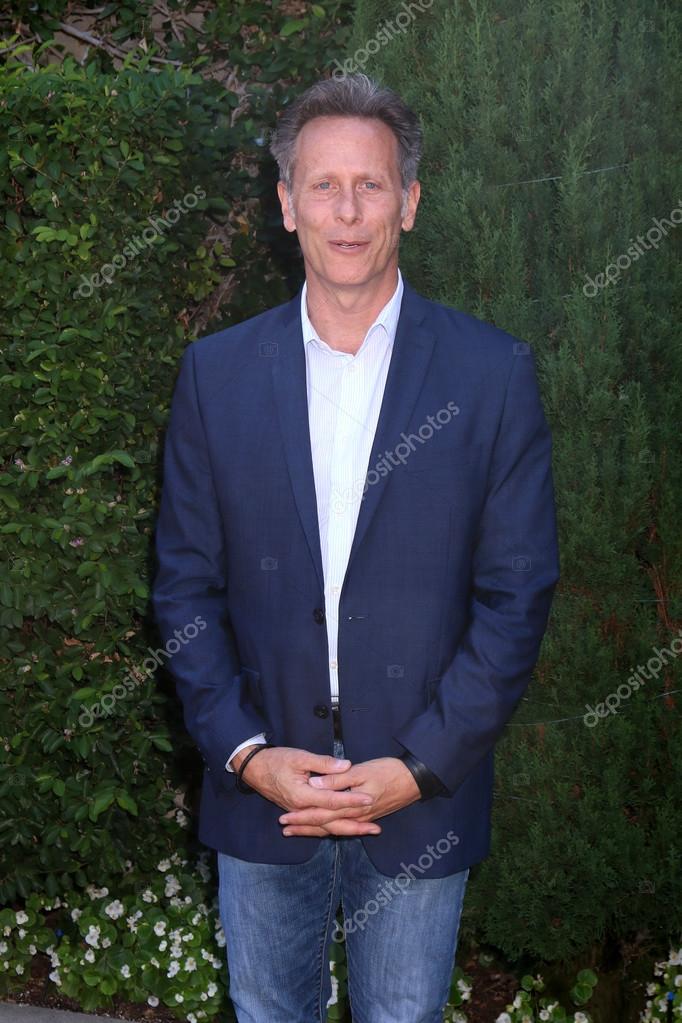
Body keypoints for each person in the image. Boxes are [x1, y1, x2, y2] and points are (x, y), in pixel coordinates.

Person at [152, 71, 560, 1023]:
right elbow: (183, 590)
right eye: (322, 185)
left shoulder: (490, 374)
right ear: (285, 202)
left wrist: (418, 765)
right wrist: (249, 753)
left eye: (370, 185)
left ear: (409, 202)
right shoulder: (216, 376)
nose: (346, 210)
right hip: (265, 794)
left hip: (417, 797)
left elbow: (517, 593)